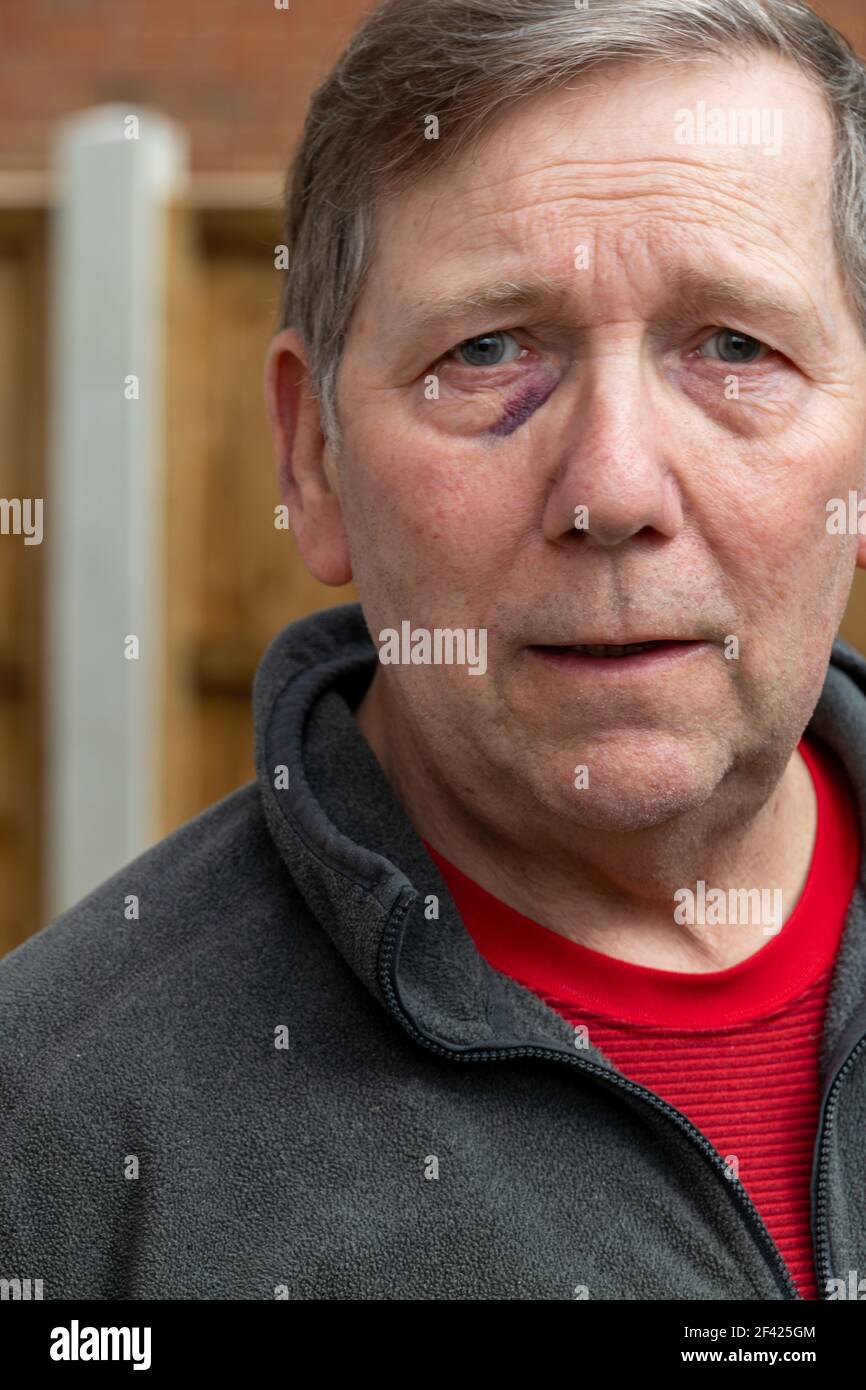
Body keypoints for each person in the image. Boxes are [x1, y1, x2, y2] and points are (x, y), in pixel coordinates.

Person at [3, 0, 866, 1301]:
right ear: (312, 460)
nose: (613, 486)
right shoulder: (55, 1149)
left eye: (733, 347)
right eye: (488, 350)